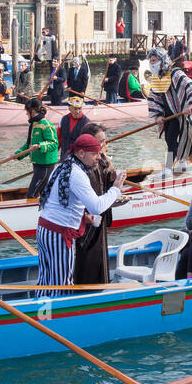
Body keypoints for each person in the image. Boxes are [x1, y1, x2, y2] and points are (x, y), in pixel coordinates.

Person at [35, 134, 126, 295]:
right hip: (58, 234)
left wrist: (83, 217)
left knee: (45, 280)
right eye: (95, 154)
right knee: (62, 284)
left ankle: (41, 313)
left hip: (45, 229)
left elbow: (62, 203)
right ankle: (58, 317)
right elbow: (96, 207)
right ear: (81, 153)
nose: (99, 157)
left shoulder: (63, 166)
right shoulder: (77, 174)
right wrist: (116, 189)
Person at [146, 50, 192, 170]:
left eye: (154, 60)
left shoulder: (175, 72)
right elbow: (153, 97)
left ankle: (170, 167)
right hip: (169, 113)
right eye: (150, 61)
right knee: (169, 139)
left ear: (162, 61)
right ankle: (182, 163)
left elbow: (191, 86)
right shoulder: (156, 77)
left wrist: (190, 104)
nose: (151, 63)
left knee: (173, 138)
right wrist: (158, 115)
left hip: (182, 112)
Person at [73, 122, 123, 285]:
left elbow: (104, 187)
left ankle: (101, 288)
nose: (104, 145)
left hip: (98, 221)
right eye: (100, 142)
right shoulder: (83, 168)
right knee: (88, 263)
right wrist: (114, 190)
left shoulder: (99, 161)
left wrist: (113, 178)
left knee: (100, 260)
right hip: (86, 223)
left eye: (103, 141)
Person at [16, 99, 58, 199]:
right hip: (37, 164)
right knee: (41, 193)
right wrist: (18, 154)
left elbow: (54, 143)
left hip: (45, 165)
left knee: (31, 194)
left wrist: (40, 145)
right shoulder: (33, 125)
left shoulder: (46, 125)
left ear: (33, 111)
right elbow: (28, 145)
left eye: (27, 111)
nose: (26, 114)